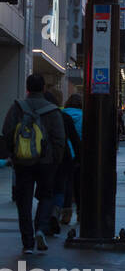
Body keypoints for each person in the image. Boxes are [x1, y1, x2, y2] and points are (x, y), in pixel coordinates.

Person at [1, 74, 66, 254]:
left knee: (24, 201)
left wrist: (14, 153)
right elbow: (59, 138)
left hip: (22, 161)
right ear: (44, 88)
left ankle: (27, 243)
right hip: (46, 161)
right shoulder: (53, 110)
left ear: (27, 88)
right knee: (46, 195)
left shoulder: (17, 107)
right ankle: (40, 228)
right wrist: (55, 160)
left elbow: (6, 132)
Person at [43, 89, 80, 237]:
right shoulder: (65, 117)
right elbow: (76, 139)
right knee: (64, 185)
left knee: (46, 188)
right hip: (65, 156)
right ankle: (61, 212)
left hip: (43, 157)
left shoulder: (41, 115)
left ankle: (42, 220)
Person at [61, 94, 85, 227]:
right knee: (79, 183)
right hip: (79, 152)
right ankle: (81, 212)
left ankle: (65, 212)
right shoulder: (84, 116)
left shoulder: (62, 114)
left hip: (64, 152)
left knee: (66, 182)